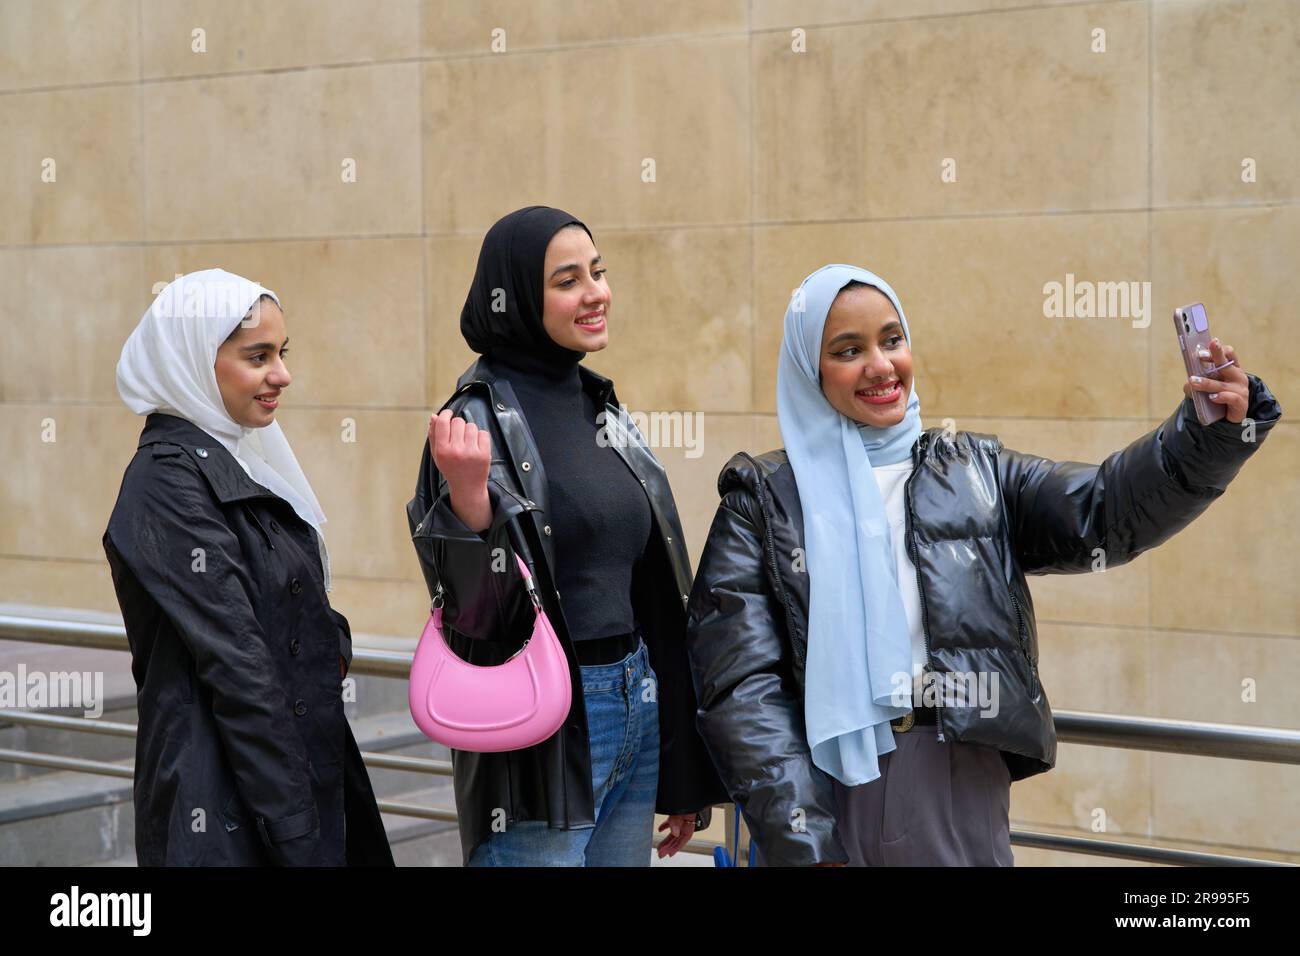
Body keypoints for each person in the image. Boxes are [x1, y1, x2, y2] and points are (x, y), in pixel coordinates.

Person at [686, 264, 1283, 866]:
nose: (880, 365)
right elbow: (742, 689)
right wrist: (805, 840)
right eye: (848, 350)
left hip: (954, 771)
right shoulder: (761, 500)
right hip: (816, 780)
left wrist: (1207, 437)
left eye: (892, 340)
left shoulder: (976, 473)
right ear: (808, 370)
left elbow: (1104, 511)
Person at [406, 206, 727, 866]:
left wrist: (682, 768)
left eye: (598, 273)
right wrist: (469, 505)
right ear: (519, 297)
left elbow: (652, 588)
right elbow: (474, 620)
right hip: (544, 722)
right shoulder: (471, 418)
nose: (596, 293)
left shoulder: (598, 402)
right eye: (567, 280)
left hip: (633, 697)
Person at [103, 269, 393, 866]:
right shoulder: (167, 482)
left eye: (281, 354)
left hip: (284, 777)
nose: (281, 375)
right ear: (192, 360)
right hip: (224, 808)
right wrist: (295, 832)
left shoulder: (240, 459)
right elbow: (239, 665)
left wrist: (327, 637)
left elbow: (294, 613)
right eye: (257, 356)